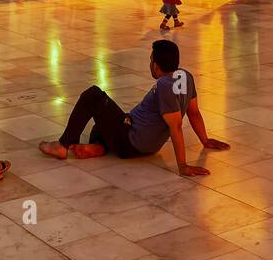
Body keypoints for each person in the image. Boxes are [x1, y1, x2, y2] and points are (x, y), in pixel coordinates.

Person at [38, 38, 230, 176]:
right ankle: (100, 147)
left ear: (155, 65)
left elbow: (176, 126)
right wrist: (204, 140)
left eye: (150, 60)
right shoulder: (185, 76)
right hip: (138, 139)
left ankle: (63, 145)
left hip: (130, 142)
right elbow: (194, 112)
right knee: (101, 124)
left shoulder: (164, 85)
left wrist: (183, 166)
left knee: (93, 96)